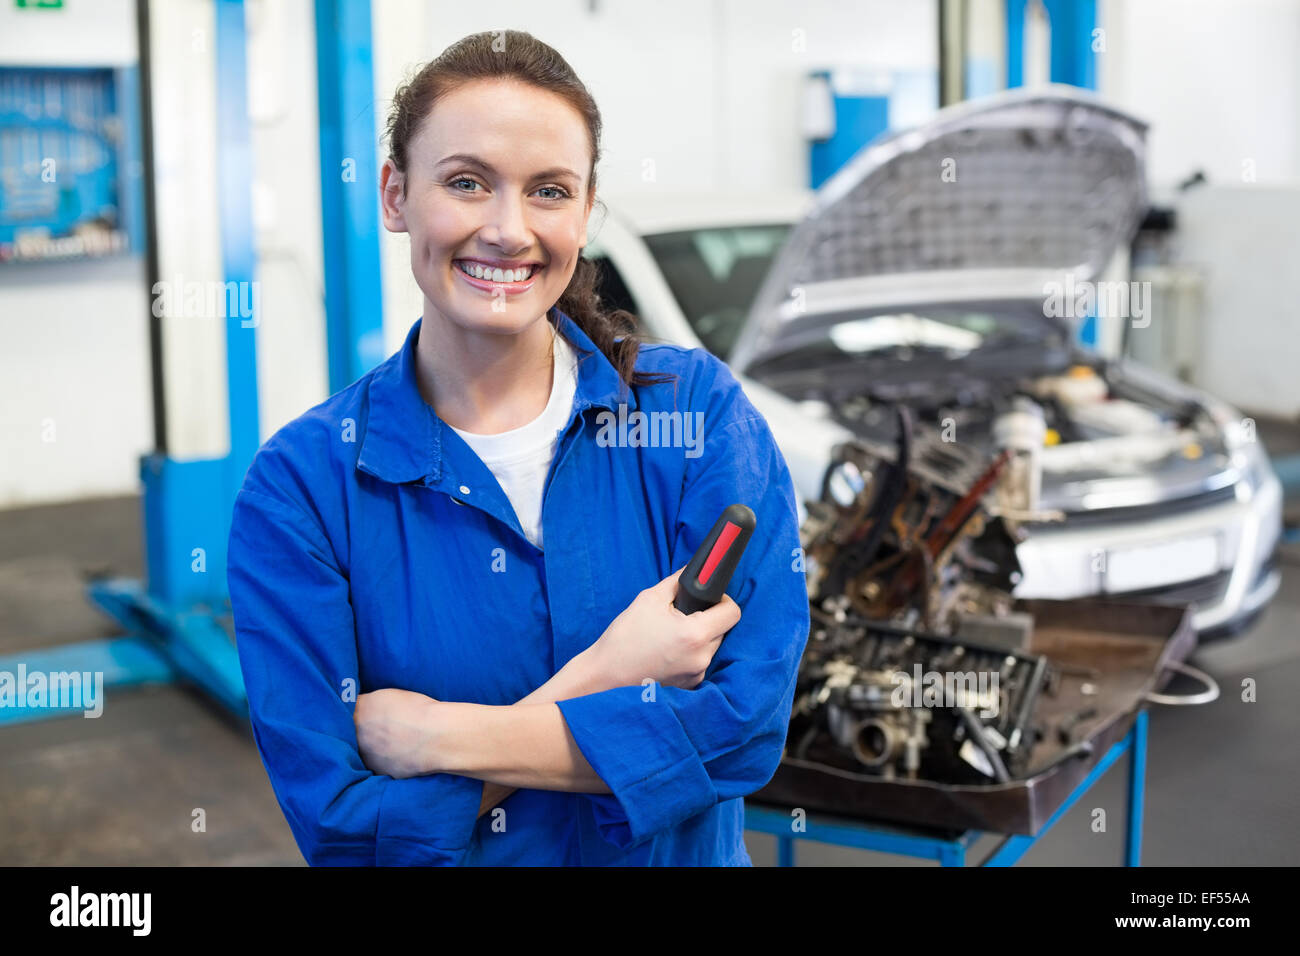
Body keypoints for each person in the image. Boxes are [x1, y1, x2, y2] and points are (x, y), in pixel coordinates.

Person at [226, 29, 810, 866]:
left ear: (585, 211)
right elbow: (348, 830)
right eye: (466, 183)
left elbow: (743, 730)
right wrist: (614, 671)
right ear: (394, 195)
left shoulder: (697, 417)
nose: (507, 230)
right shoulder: (303, 491)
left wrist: (440, 735)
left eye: (548, 191)